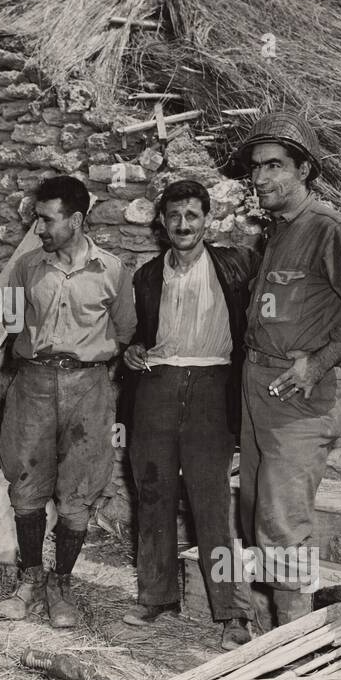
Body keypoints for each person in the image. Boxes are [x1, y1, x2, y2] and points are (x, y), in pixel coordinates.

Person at [234, 111, 341, 625]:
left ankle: (295, 649)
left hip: (297, 401)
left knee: (284, 524)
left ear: (304, 170)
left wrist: (320, 362)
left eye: (275, 166)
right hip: (259, 392)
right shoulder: (278, 231)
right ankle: (272, 631)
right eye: (256, 168)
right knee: (257, 512)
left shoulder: (327, 229)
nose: (261, 178)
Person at [0, 175, 136, 629]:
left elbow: (125, 331)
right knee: (26, 486)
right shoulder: (28, 268)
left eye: (47, 219)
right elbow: (12, 323)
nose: (39, 228)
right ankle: (30, 580)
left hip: (88, 390)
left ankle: (62, 585)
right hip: (33, 385)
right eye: (37, 218)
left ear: (75, 220)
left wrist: (87, 359)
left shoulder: (112, 272)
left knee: (77, 493)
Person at [122, 179, 259, 649]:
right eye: (175, 216)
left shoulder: (236, 265)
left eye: (192, 216)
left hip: (211, 386)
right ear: (162, 222)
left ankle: (232, 613)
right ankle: (156, 596)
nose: (183, 225)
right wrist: (133, 351)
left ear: (207, 220)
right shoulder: (145, 276)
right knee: (153, 494)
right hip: (155, 387)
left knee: (212, 502)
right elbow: (133, 335)